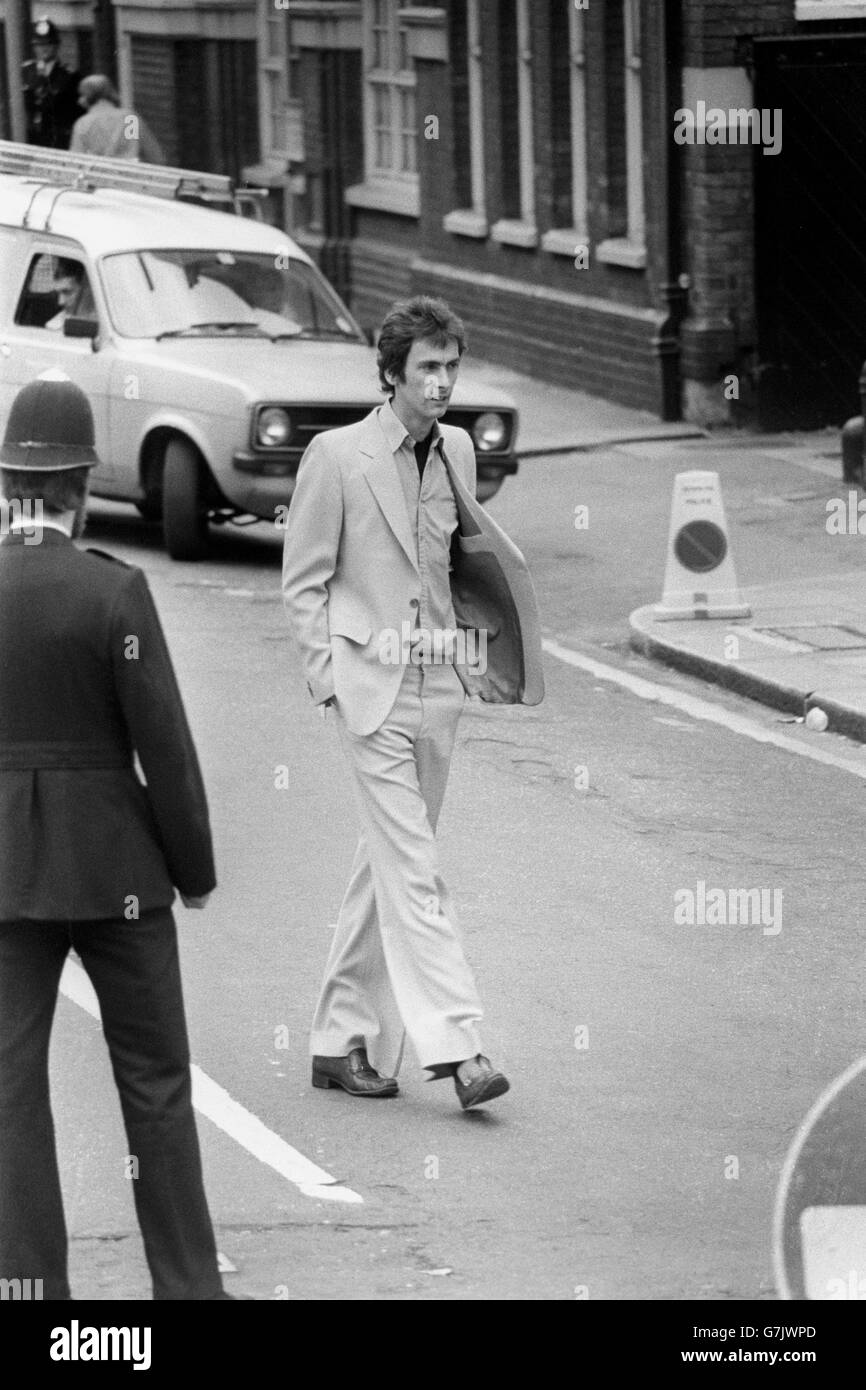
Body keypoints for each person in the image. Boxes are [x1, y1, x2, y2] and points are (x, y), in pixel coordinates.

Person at [0, 374, 232, 1300]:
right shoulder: (116, 592)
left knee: (10, 1092)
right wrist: (195, 871)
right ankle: (186, 1290)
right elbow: (164, 750)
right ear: (81, 486)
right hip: (121, 878)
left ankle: (27, 1297)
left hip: (6, 882)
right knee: (156, 1083)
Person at [282, 296, 544, 1111]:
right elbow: (304, 580)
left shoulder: (458, 450)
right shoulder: (336, 456)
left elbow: (462, 561)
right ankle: (458, 1048)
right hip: (368, 689)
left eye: (450, 367)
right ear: (391, 373)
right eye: (426, 369)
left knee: (387, 869)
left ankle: (336, 1040)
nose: (441, 384)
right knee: (418, 872)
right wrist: (329, 679)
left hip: (439, 684)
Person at [70, 75, 165, 164]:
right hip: (130, 174)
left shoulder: (83, 124)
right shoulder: (129, 118)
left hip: (99, 177)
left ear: (85, 98)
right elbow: (155, 156)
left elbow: (76, 160)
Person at [22, 18, 81, 150]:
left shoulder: (69, 75)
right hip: (29, 139)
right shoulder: (26, 71)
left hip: (57, 141)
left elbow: (74, 113)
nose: (44, 49)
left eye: (48, 44)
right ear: (34, 47)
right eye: (39, 45)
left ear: (56, 46)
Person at [45, 259, 93, 331]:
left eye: (67, 292)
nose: (61, 302)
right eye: (58, 293)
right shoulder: (55, 327)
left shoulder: (111, 322)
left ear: (87, 289)